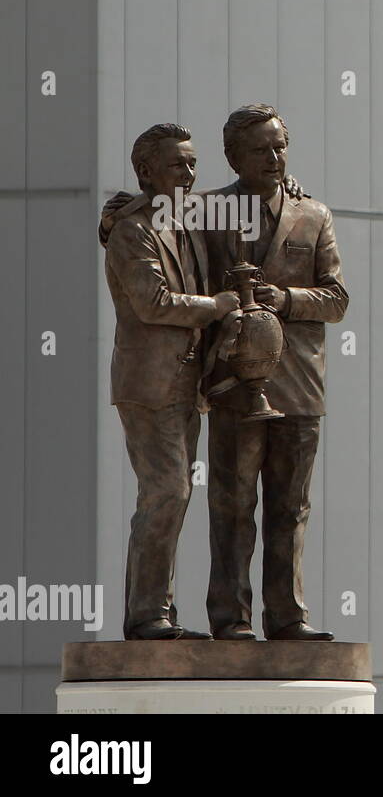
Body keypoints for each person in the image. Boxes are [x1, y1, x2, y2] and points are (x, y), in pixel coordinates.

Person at [202, 104, 348, 641]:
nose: (274, 156)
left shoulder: (315, 214)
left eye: (279, 145)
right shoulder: (208, 213)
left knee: (291, 506)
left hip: (299, 384)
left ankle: (287, 616)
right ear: (233, 157)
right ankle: (231, 618)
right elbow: (172, 260)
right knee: (231, 504)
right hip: (233, 383)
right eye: (260, 148)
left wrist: (284, 298)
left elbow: (336, 299)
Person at [103, 123, 240, 641]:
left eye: (192, 163)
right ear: (145, 172)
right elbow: (153, 303)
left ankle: (159, 612)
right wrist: (216, 307)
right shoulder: (132, 230)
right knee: (167, 491)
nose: (190, 173)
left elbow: (240, 199)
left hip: (184, 385)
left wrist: (287, 187)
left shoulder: (184, 219)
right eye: (178, 164)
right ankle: (146, 617)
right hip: (148, 384)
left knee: (173, 496)